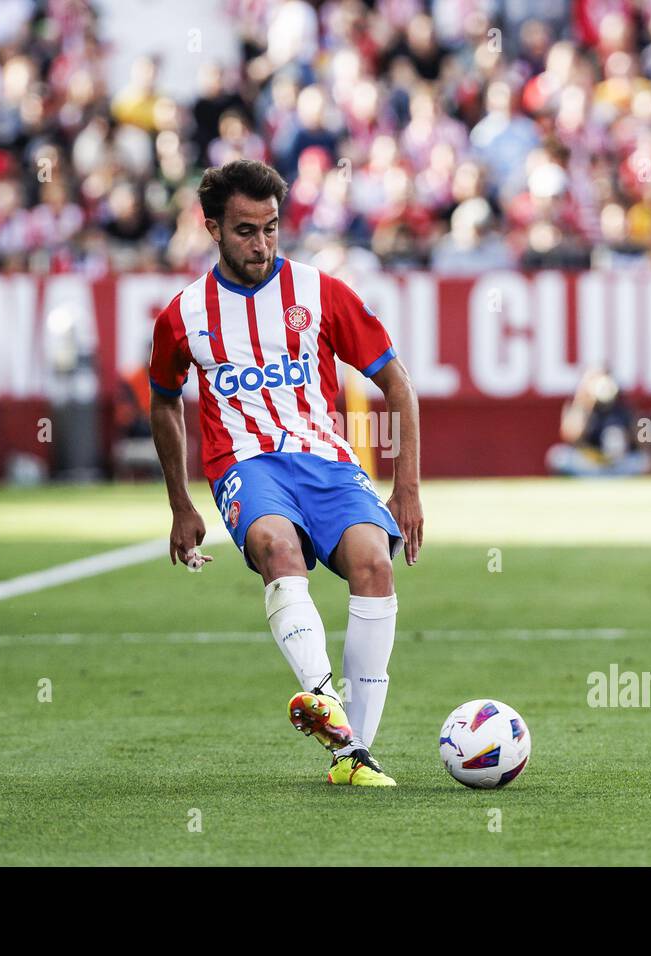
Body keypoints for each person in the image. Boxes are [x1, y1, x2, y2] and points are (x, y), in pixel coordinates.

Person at [148, 159, 423, 787]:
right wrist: (180, 505)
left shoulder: (320, 292)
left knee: (374, 563)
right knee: (276, 545)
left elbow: (397, 384)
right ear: (212, 228)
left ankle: (354, 753)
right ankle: (326, 700)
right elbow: (164, 397)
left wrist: (405, 487)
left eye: (271, 228)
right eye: (246, 230)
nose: (262, 243)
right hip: (244, 462)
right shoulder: (184, 315)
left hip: (325, 458)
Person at [545, 368, 651, 477]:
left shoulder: (624, 407)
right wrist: (585, 401)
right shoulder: (581, 405)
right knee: (557, 456)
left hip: (619, 464)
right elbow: (570, 436)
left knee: (645, 461)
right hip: (590, 464)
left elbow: (645, 438)